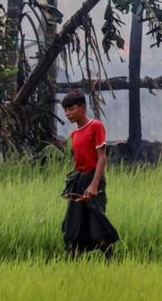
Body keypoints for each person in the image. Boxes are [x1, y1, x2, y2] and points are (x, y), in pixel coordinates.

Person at [60, 91, 119, 257]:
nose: (67, 113)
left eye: (71, 109)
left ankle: (114, 261)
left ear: (83, 107)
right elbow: (77, 163)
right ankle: (74, 268)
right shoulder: (73, 134)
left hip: (94, 179)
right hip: (79, 180)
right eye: (65, 110)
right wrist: (71, 187)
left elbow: (102, 157)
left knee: (97, 229)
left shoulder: (95, 126)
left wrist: (93, 185)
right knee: (74, 228)